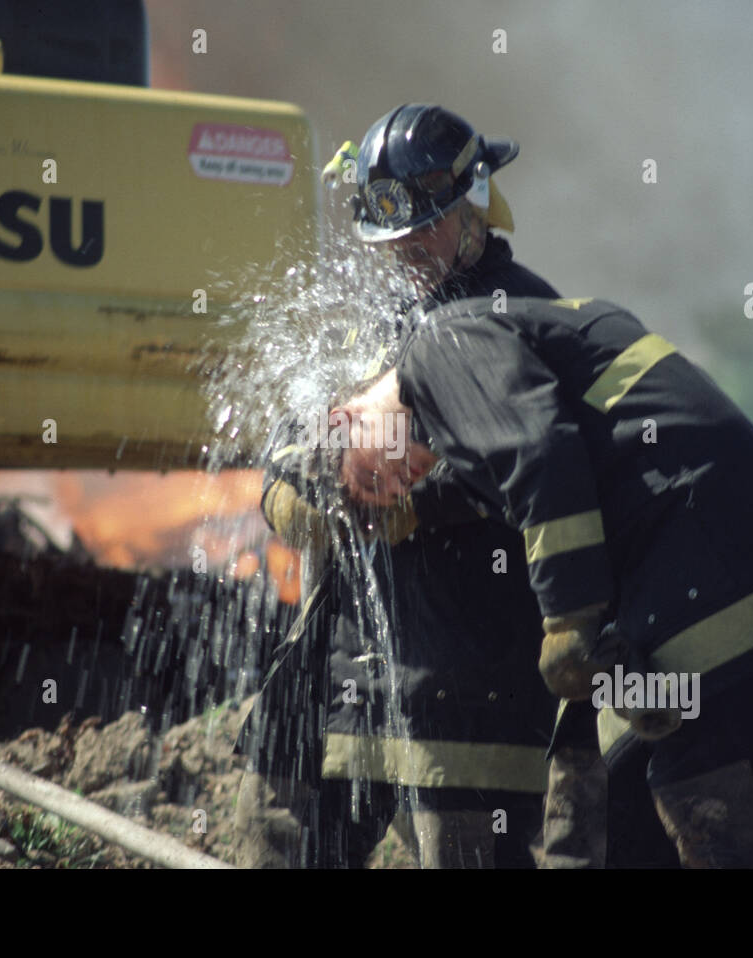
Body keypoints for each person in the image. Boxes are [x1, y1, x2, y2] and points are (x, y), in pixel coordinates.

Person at [336, 295, 753, 867]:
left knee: (728, 809)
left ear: (348, 418)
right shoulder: (493, 353)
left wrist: (568, 621)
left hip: (704, 575)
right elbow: (524, 460)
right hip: (721, 561)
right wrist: (422, 509)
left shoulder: (435, 346)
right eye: (387, 496)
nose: (394, 488)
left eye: (372, 475)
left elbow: (538, 454)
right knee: (648, 807)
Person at [234, 104, 582, 868]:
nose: (407, 250)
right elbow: (316, 432)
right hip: (343, 665)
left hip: (468, 669)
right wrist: (292, 487)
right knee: (276, 836)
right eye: (394, 236)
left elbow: (522, 465)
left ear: (473, 209)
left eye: (425, 228)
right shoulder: (388, 321)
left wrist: (411, 508)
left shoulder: (516, 316)